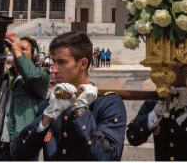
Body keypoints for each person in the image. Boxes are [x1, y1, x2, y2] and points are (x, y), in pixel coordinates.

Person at [12, 31, 126, 161]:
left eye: (61, 62)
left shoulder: (108, 104)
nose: (54, 69)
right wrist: (45, 121)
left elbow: (107, 157)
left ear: (83, 64)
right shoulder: (49, 105)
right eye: (53, 62)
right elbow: (20, 156)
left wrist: (81, 111)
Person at [0, 35, 49, 161]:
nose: (18, 50)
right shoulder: (3, 77)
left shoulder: (41, 76)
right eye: (16, 48)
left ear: (33, 54)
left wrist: (17, 50)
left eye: (23, 49)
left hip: (21, 150)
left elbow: (31, 75)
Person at [126, 63, 187, 161]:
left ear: (185, 71)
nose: (160, 75)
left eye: (166, 70)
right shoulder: (154, 103)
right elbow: (133, 138)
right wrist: (156, 113)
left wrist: (185, 114)